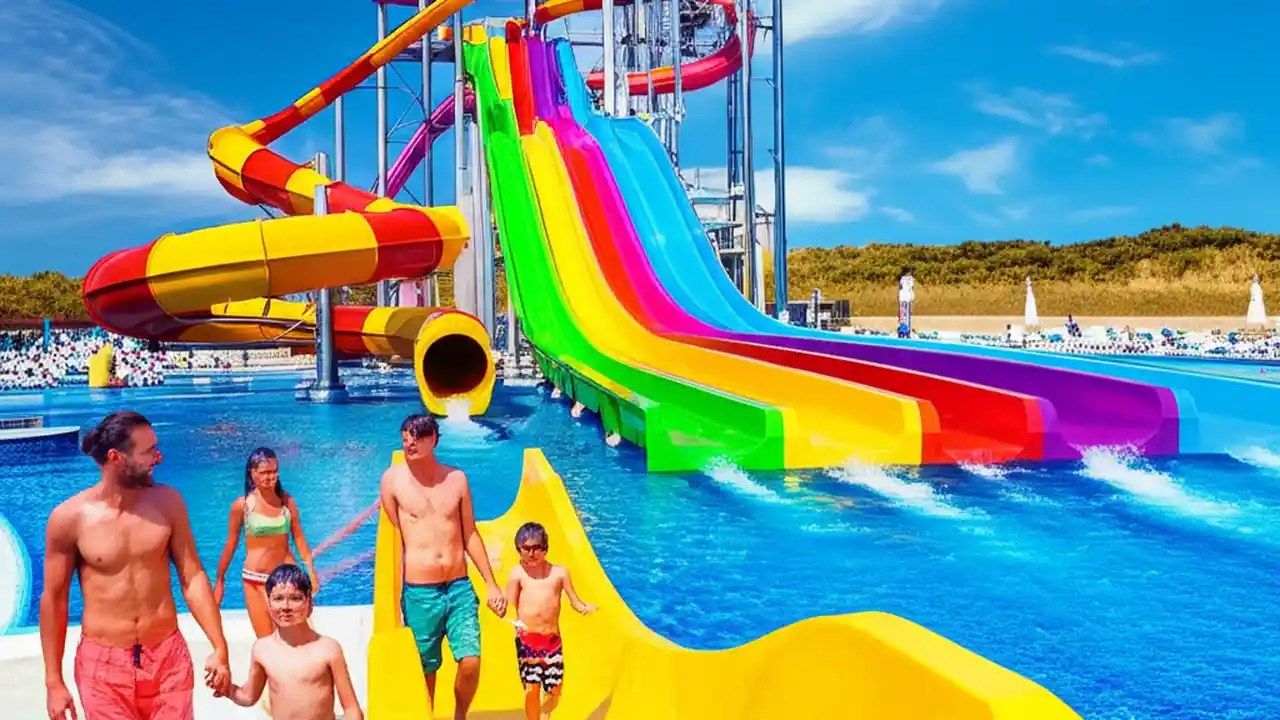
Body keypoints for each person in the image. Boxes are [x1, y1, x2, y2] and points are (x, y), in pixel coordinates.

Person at [40, 410, 232, 720]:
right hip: (103, 668)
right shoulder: (69, 519)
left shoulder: (168, 503)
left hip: (167, 660)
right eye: (149, 452)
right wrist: (53, 681)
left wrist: (219, 646)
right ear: (116, 457)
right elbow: (54, 599)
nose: (159, 457)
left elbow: (192, 575)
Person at [379, 413, 506, 720]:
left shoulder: (456, 479)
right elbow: (396, 531)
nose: (410, 441)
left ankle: (459, 715)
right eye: (406, 435)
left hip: (459, 586)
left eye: (418, 436)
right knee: (426, 667)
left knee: (471, 659)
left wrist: (491, 583)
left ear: (433, 440)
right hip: (420, 591)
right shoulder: (392, 480)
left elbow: (469, 532)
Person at [217, 564, 362, 720]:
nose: (285, 607)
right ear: (269, 603)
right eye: (278, 599)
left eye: (295, 598)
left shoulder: (327, 649)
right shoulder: (262, 650)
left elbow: (351, 708)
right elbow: (248, 696)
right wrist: (228, 690)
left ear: (310, 603)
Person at [213, 447, 319, 639]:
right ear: (251, 473)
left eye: (273, 471)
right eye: (264, 473)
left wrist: (310, 570)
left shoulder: (286, 502)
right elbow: (231, 544)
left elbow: (299, 538)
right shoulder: (243, 505)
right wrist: (220, 580)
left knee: (297, 637)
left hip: (286, 580)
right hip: (255, 580)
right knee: (266, 640)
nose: (270, 477)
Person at [504, 522, 595, 720]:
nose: (531, 553)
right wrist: (511, 619)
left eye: (536, 547)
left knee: (555, 690)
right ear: (518, 549)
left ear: (545, 548)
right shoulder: (517, 574)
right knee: (531, 688)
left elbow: (574, 600)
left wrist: (585, 608)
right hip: (527, 640)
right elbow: (509, 605)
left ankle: (546, 714)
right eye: (525, 548)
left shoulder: (559, 574)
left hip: (552, 641)